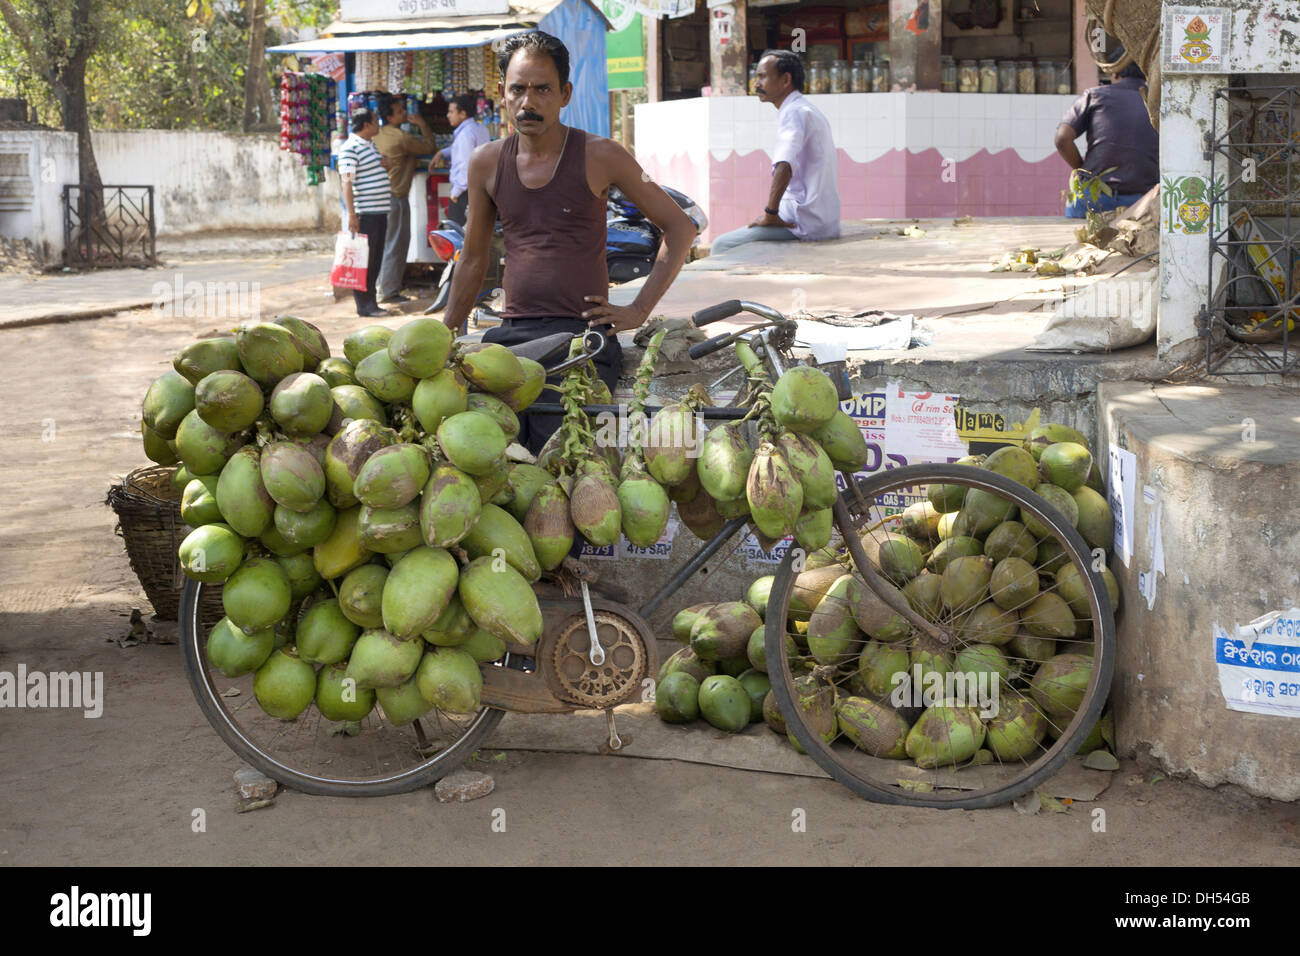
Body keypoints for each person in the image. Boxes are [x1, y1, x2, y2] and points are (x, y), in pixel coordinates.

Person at [441, 30, 697, 453]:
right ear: (502, 93)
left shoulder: (601, 155)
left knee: (556, 462)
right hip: (512, 337)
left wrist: (637, 309)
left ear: (565, 94)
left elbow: (680, 228)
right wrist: (445, 337)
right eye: (517, 89)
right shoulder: (486, 161)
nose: (528, 102)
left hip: (582, 341)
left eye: (542, 89)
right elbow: (472, 259)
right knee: (490, 451)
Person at [709, 50, 840, 256]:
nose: (756, 84)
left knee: (721, 245)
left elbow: (784, 164)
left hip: (803, 223)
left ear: (786, 79)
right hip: (820, 220)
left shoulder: (795, 112)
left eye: (762, 77)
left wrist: (771, 213)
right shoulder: (804, 109)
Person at [1054, 56, 1159, 218]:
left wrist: (1083, 172)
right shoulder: (1159, 102)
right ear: (1146, 73)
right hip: (1144, 202)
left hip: (1094, 199)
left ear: (1114, 73)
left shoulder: (1094, 95)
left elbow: (1062, 138)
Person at [373, 94, 439, 304]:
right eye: (400, 112)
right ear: (390, 117)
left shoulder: (379, 135)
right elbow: (429, 147)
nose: (405, 114)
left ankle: (384, 287)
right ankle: (388, 291)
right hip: (396, 196)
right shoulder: (401, 138)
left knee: (385, 244)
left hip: (381, 196)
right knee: (396, 244)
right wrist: (423, 125)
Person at [338, 108, 393, 317]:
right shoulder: (350, 148)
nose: (379, 125)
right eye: (375, 121)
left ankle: (372, 302)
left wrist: (384, 164)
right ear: (367, 125)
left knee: (376, 257)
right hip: (365, 213)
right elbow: (347, 182)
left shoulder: (370, 145)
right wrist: (352, 214)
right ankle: (364, 305)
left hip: (379, 211)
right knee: (365, 260)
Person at [434, 94, 491, 227]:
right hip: (481, 189)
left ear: (463, 114)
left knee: (460, 237)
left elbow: (466, 166)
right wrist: (441, 153)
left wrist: (455, 194)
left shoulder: (465, 134)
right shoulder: (480, 129)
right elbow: (460, 149)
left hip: (465, 193)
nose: (448, 115)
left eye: (451, 112)